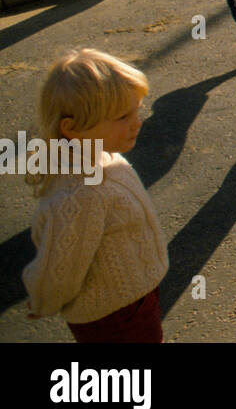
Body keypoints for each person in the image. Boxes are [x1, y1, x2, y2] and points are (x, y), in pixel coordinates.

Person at [22, 49, 168, 343]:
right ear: (72, 129)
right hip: (115, 316)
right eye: (123, 116)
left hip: (135, 298)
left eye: (137, 110)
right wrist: (43, 301)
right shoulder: (80, 193)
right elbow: (59, 266)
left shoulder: (99, 155)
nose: (137, 122)